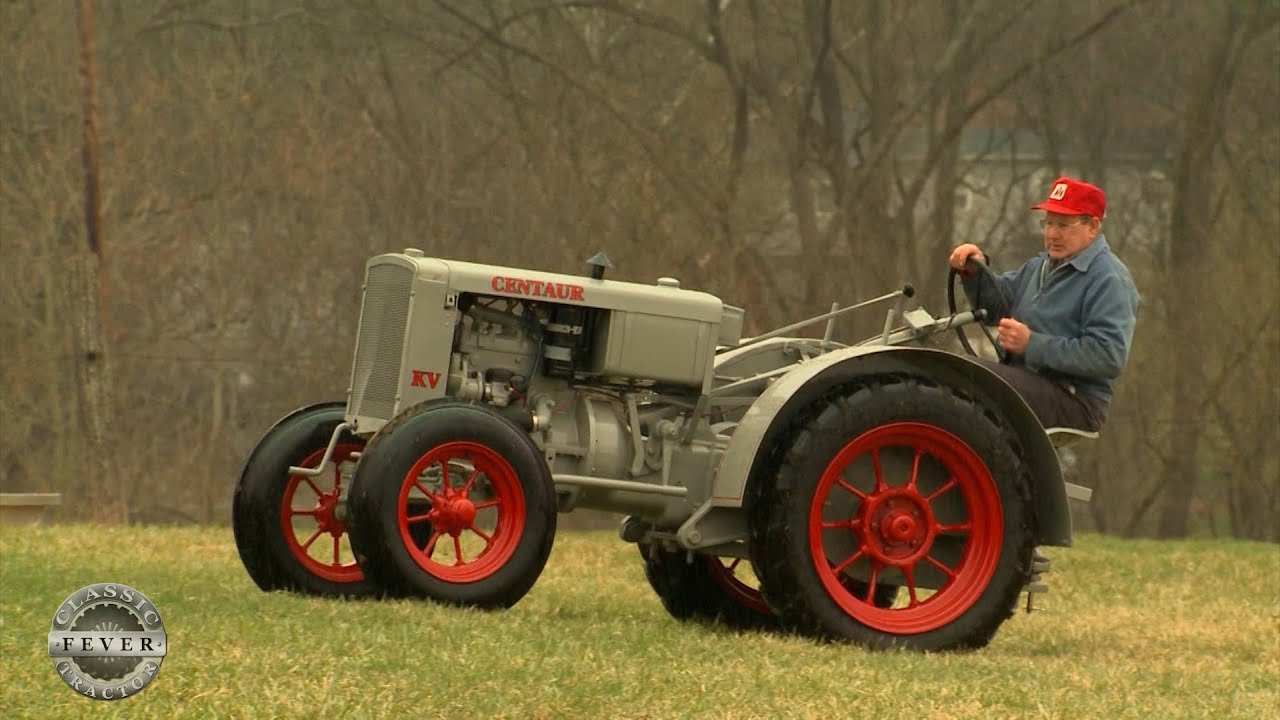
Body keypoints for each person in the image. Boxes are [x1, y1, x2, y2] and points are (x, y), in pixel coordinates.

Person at [948, 176, 1139, 432]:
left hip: (1074, 399)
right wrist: (975, 271)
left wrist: (1031, 344)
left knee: (970, 377)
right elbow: (995, 307)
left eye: (1063, 224)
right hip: (1028, 383)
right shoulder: (1040, 266)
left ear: (1092, 226)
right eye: (1048, 223)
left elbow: (1107, 356)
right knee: (950, 369)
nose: (1052, 234)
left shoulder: (1109, 279)